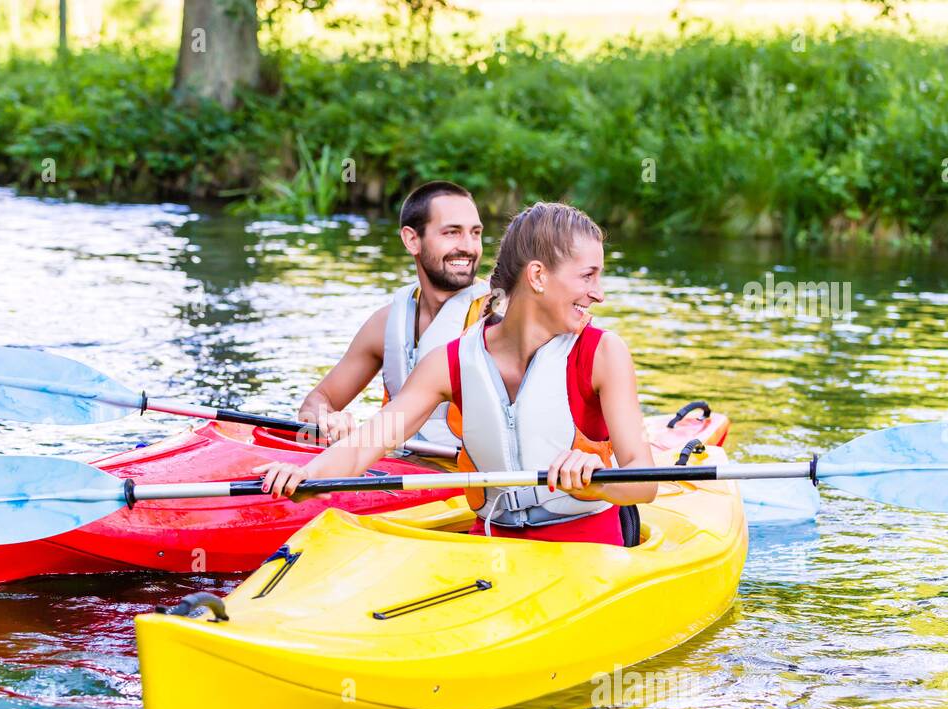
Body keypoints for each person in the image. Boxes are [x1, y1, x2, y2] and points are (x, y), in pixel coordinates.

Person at [258, 202, 656, 547]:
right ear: (537, 276)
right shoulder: (451, 362)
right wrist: (306, 476)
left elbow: (646, 480)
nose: (599, 293)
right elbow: (369, 442)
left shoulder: (603, 353)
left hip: (589, 539)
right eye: (588, 276)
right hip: (493, 541)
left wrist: (597, 479)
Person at [298, 181, 489, 450]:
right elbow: (315, 401)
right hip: (396, 471)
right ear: (412, 240)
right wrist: (329, 420)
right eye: (452, 233)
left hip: (464, 481)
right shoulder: (387, 324)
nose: (468, 247)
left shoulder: (496, 318)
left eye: (476, 233)